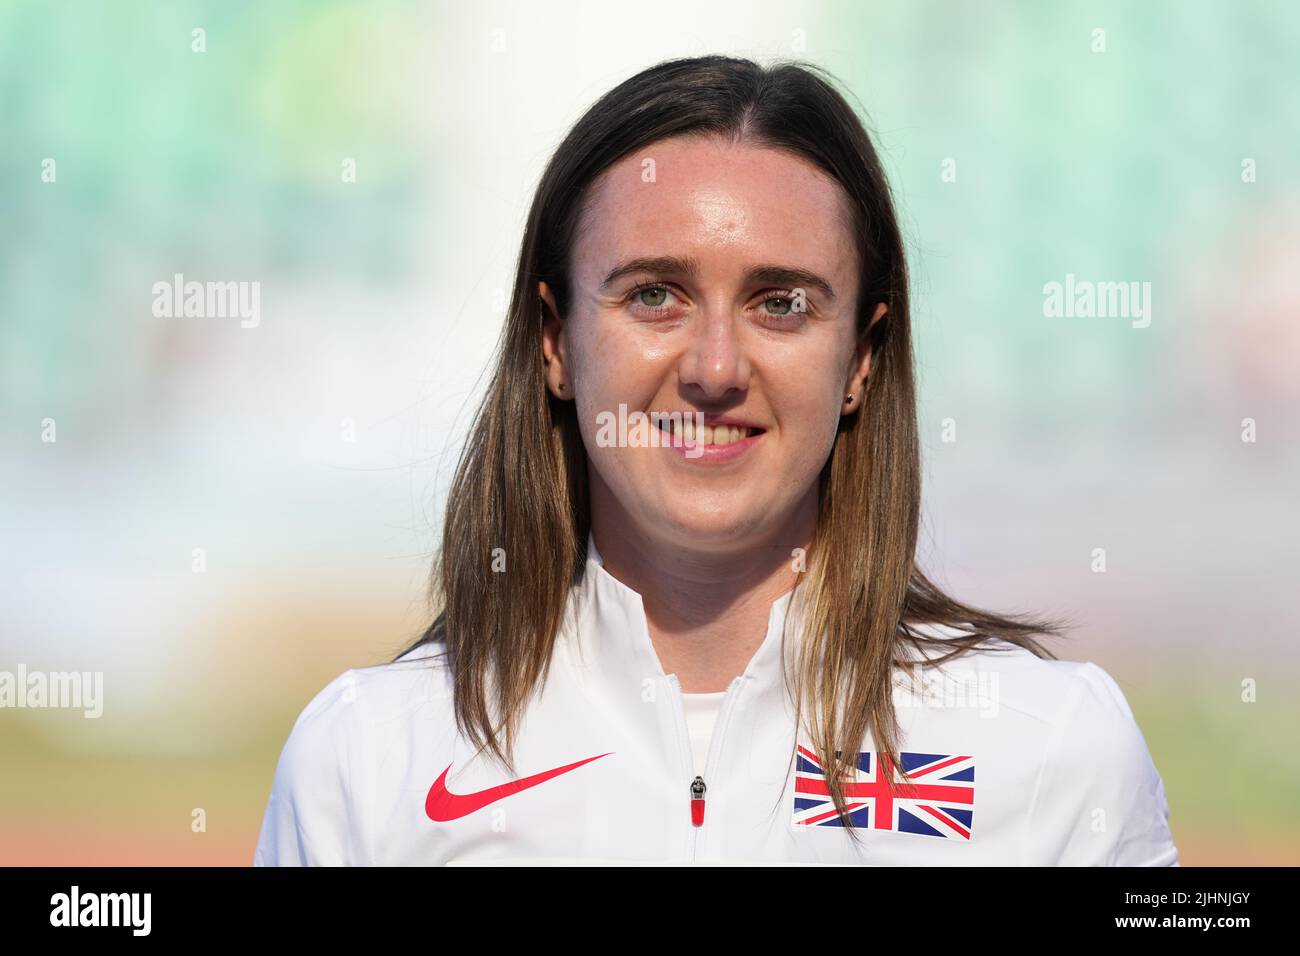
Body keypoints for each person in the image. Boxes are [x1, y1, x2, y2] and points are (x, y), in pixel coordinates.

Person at [254, 55, 1178, 865]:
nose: (715, 369)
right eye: (655, 295)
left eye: (781, 304)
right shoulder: (371, 755)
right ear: (556, 342)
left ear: (860, 357)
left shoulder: (1054, 747)